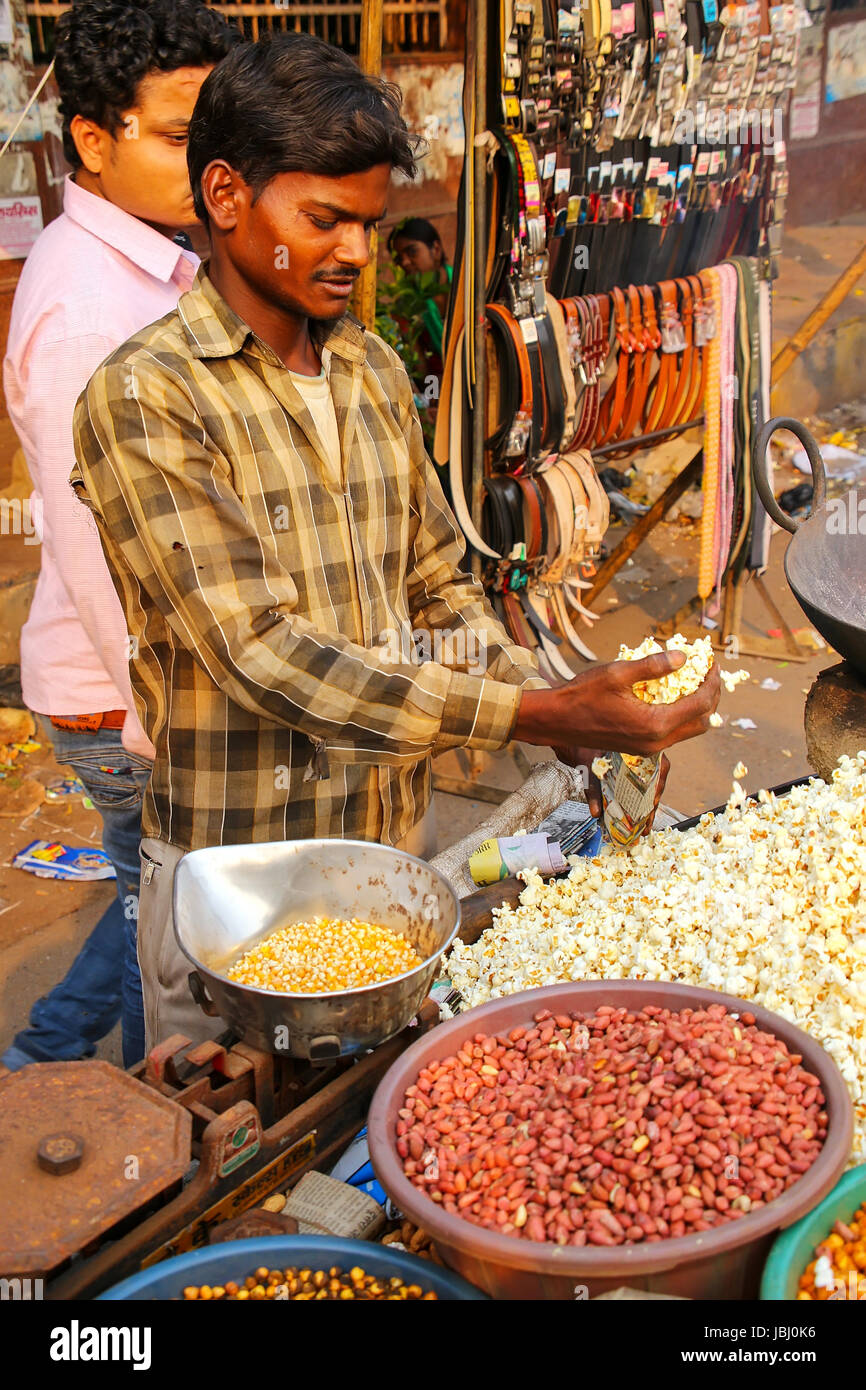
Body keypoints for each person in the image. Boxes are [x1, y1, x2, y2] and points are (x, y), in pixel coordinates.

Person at [70, 34, 720, 1049]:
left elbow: (432, 585)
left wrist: (556, 702)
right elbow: (261, 655)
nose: (357, 254)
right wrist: (525, 706)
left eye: (369, 223)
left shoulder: (369, 370)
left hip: (390, 863)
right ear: (228, 194)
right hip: (244, 898)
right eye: (323, 219)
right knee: (247, 1173)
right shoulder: (146, 395)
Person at [1, 0, 235, 1071]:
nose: (215, 163)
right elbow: (94, 541)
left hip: (139, 677)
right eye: (185, 137)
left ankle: (42, 1053)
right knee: (176, 936)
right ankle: (159, 1141)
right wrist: (161, 710)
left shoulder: (151, 265)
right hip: (123, 690)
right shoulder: (92, 309)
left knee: (154, 886)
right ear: (93, 140)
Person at [388, 216, 453, 357]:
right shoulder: (406, 306)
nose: (404, 262)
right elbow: (420, 368)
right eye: (399, 258)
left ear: (435, 249)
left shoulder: (465, 286)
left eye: (412, 252)